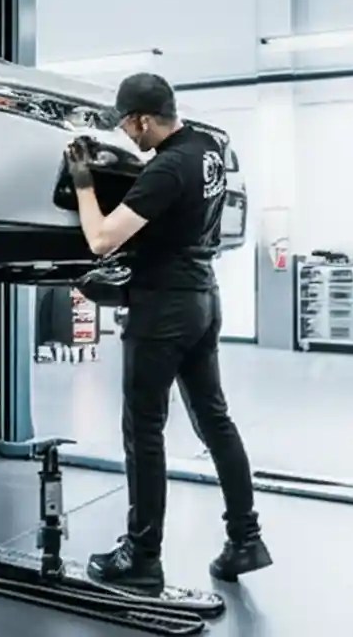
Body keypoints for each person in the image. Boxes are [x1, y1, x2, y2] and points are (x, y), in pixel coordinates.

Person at [62, 72, 272, 593]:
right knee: (215, 420)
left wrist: (84, 181)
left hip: (163, 308)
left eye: (126, 126)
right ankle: (246, 539)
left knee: (144, 429)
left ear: (141, 120)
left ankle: (141, 557)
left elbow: (101, 239)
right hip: (203, 297)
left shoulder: (167, 168)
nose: (126, 134)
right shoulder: (206, 146)